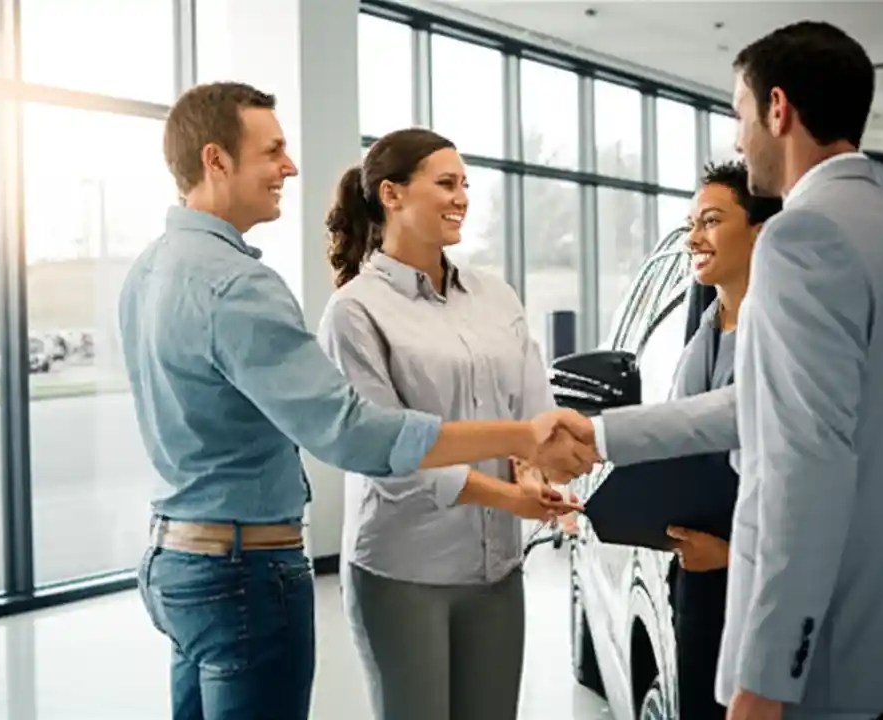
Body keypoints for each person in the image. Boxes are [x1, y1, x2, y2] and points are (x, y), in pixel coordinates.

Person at [117, 82, 596, 720]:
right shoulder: (248, 286)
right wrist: (515, 441)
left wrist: (532, 464)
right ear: (215, 159)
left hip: (181, 558)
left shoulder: (148, 271)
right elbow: (356, 436)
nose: (290, 166)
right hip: (248, 570)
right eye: (273, 151)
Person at [582, 21, 883, 720]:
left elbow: (802, 465)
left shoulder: (801, 236)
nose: (738, 138)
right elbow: (770, 403)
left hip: (812, 656)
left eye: (738, 115)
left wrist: (766, 675)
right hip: (868, 630)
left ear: (778, 109)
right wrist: (600, 435)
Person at [315, 128, 565, 720]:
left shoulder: (495, 295)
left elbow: (530, 411)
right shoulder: (356, 310)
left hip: (497, 568)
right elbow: (390, 456)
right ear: (392, 194)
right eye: (446, 183)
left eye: (465, 185)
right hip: (404, 570)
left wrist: (529, 479)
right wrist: (508, 498)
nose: (461, 198)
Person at [661, 159, 781, 720]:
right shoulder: (703, 333)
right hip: (698, 573)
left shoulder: (785, 337)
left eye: (710, 221)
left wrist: (731, 558)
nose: (694, 237)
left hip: (758, 581)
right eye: (692, 223)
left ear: (759, 230)